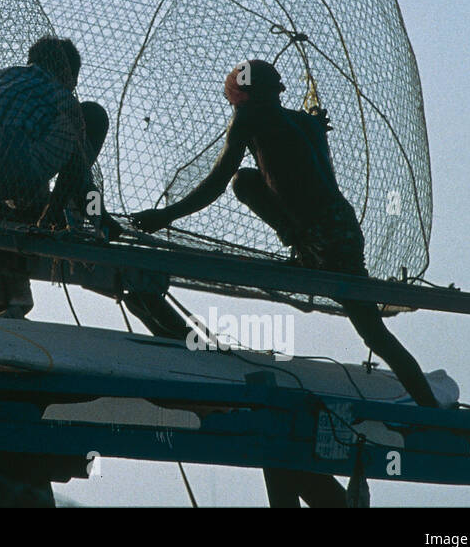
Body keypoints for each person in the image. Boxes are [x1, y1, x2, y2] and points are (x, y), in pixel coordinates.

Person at [131, 59, 441, 409]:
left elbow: (217, 180)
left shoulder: (250, 116)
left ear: (242, 96)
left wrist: (166, 216)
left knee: (240, 181)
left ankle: (430, 409)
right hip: (344, 228)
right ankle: (430, 408)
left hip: (322, 235)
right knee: (373, 331)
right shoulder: (303, 121)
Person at [0, 35, 110, 231]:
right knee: (84, 124)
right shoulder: (62, 95)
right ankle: (51, 214)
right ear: (70, 75)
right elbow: (77, 166)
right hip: (14, 175)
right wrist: (100, 215)